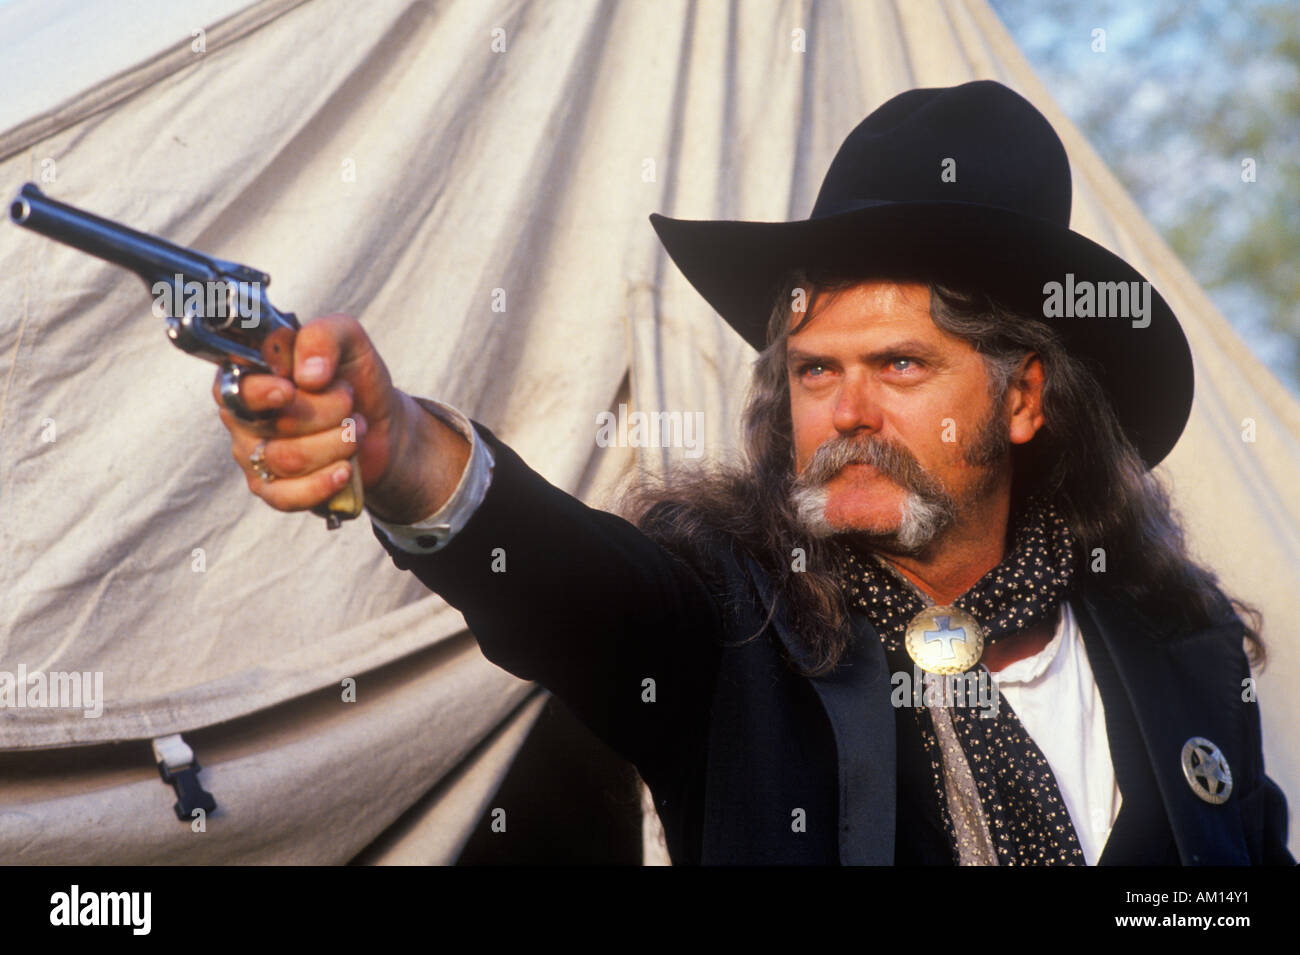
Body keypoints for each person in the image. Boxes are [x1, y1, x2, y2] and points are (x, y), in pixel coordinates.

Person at [214, 80, 1292, 865]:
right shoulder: (725, 626)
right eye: (816, 369)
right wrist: (397, 445)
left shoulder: (1180, 653)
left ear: (1022, 398)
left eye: (901, 364)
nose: (846, 411)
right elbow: (562, 575)